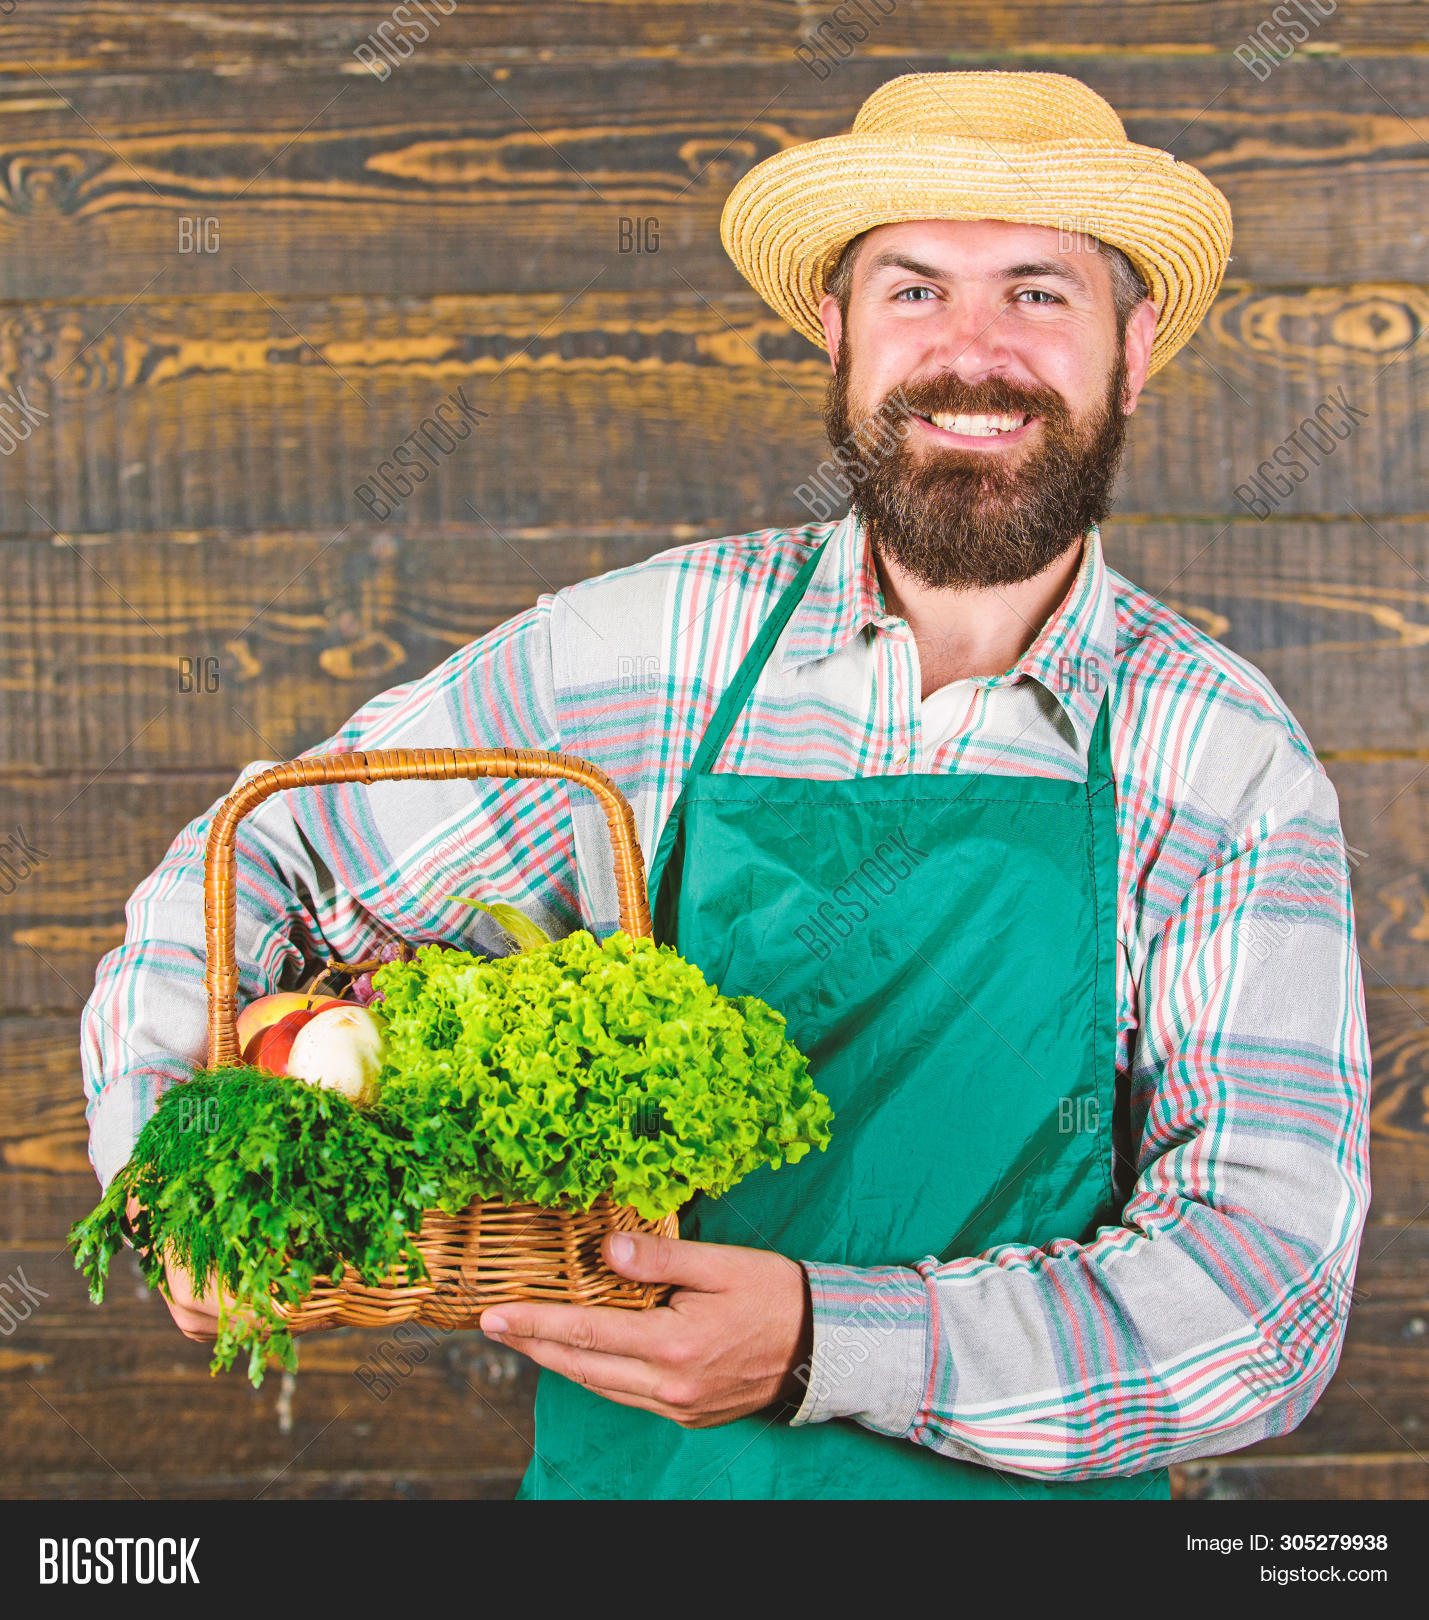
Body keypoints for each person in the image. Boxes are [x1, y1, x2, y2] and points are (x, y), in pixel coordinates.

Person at [83, 70, 1371, 1499]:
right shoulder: (638, 658)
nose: (971, 352)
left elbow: (1264, 1295)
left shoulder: (1221, 758)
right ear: (835, 331)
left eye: (1036, 294)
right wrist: (173, 1161)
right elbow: (263, 859)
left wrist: (832, 1344)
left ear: (1132, 351)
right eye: (912, 290)